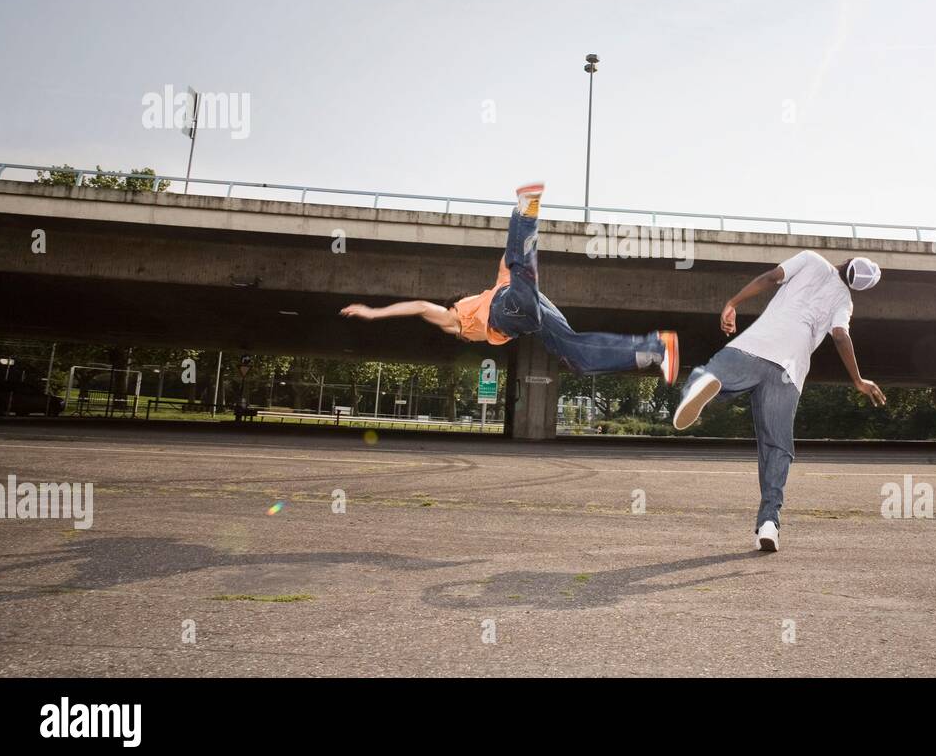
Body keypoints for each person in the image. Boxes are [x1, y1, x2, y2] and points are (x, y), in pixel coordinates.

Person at [340, 182, 679, 384]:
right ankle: (655, 347)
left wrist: (373, 312)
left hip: (509, 309)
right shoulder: (493, 288)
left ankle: (526, 211)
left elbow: (418, 306)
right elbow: (508, 262)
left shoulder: (456, 319)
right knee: (578, 357)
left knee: (523, 272)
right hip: (526, 312)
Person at [672, 250, 886, 552]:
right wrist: (858, 380)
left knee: (710, 374)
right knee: (777, 447)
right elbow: (840, 335)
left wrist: (733, 303)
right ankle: (769, 523)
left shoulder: (812, 260)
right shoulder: (844, 301)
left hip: (755, 346)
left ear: (846, 261)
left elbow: (771, 277)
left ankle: (705, 385)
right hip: (790, 370)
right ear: (855, 286)